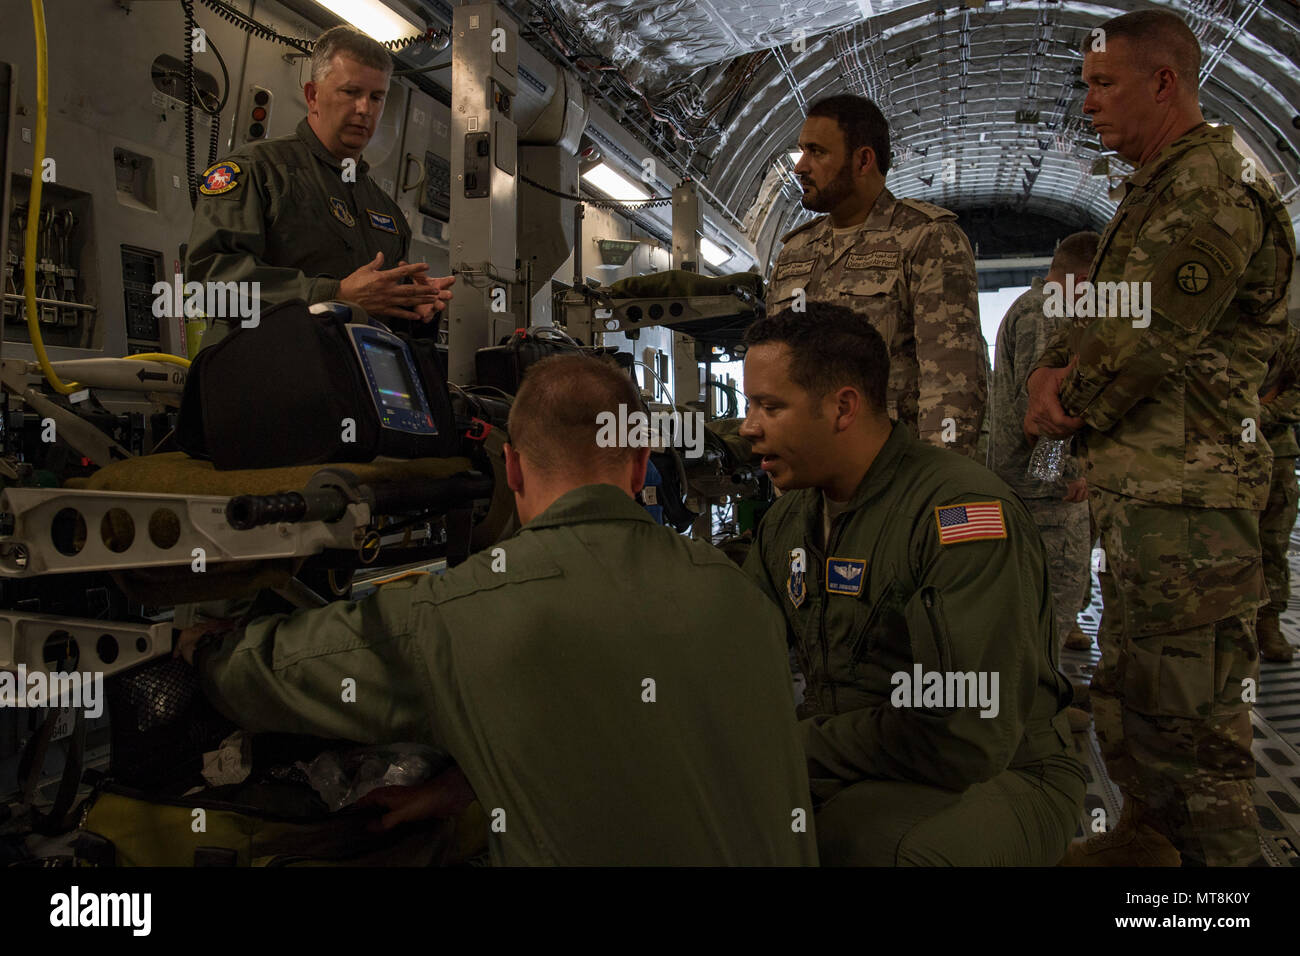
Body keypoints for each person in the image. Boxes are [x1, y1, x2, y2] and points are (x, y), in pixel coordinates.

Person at [177, 355, 817, 866]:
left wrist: (204, 647)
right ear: (642, 465)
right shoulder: (741, 598)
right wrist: (460, 789)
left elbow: (272, 672)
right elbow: (631, 733)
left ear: (510, 467)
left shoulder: (464, 609)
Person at [1026, 9, 1296, 866]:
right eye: (1086, 87)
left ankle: (1215, 880)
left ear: (1165, 83)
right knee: (1133, 694)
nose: (1090, 106)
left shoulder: (1210, 190)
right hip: (1147, 507)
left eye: (1104, 85)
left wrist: (1062, 395)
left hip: (1192, 509)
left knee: (1195, 735)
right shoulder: (1150, 193)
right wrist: (1049, 365)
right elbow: (1094, 309)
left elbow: (1142, 340)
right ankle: (1147, 841)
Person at [740, 302, 1085, 865]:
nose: (747, 425)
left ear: (843, 407)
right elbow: (740, 650)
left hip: (1003, 773)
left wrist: (792, 749)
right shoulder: (789, 521)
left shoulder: (960, 516)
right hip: (859, 763)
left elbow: (971, 734)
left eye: (769, 406)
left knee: (873, 850)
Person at [184, 25, 454, 350]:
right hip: (258, 383)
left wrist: (415, 305)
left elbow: (388, 330)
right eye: (350, 92)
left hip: (346, 387)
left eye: (376, 97)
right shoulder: (258, 171)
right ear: (313, 96)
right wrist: (333, 295)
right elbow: (209, 282)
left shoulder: (388, 213)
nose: (364, 109)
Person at [765, 95, 987, 459]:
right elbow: (775, 371)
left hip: (891, 468)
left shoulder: (925, 238)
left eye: (817, 152)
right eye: (801, 151)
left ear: (863, 160)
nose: (800, 167)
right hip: (808, 469)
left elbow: (952, 384)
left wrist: (938, 485)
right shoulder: (796, 252)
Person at [989, 231, 1100, 661]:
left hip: (1033, 486)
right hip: (1043, 495)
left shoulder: (1036, 308)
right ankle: (1038, 712)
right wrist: (1067, 476)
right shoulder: (1049, 314)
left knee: (1038, 603)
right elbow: (1043, 417)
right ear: (1085, 277)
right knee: (1054, 600)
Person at [1257, 323, 1300, 662]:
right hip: (1215, 454)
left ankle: (1267, 623)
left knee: (1271, 543)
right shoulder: (1213, 325)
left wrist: (1260, 415)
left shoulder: (1289, 336)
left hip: (1275, 451)